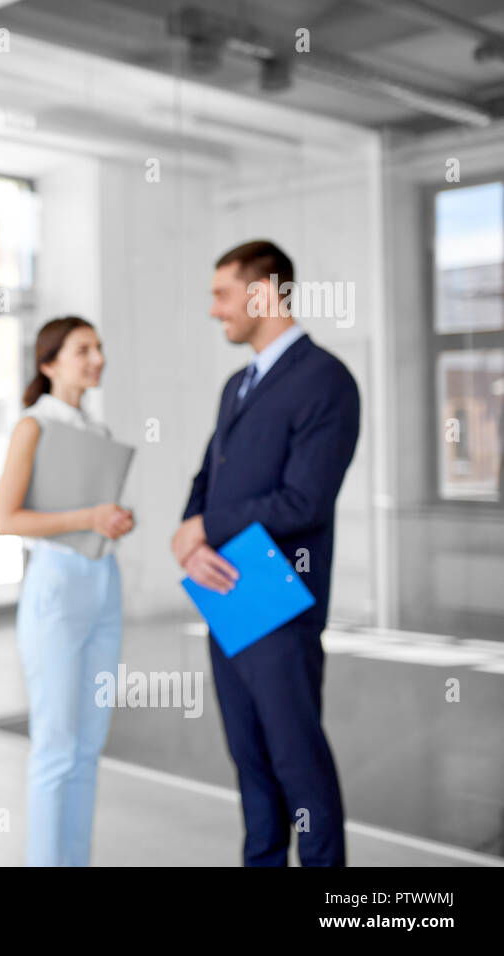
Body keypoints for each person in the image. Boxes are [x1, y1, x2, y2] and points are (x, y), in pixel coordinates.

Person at [172, 239, 360, 867]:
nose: (214, 310)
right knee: (250, 762)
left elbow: (304, 501)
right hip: (226, 591)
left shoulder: (326, 380)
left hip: (281, 600)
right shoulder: (238, 384)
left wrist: (205, 526)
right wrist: (187, 532)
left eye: (222, 295)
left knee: (296, 762)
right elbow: (209, 477)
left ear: (263, 292)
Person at [0, 316, 134, 866]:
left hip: (103, 583)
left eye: (99, 347)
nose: (97, 358)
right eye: (83, 350)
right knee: (56, 748)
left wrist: (112, 520)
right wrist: (89, 515)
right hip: (56, 589)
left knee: (88, 746)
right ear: (49, 362)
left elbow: (88, 518)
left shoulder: (96, 432)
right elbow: (6, 518)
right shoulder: (34, 426)